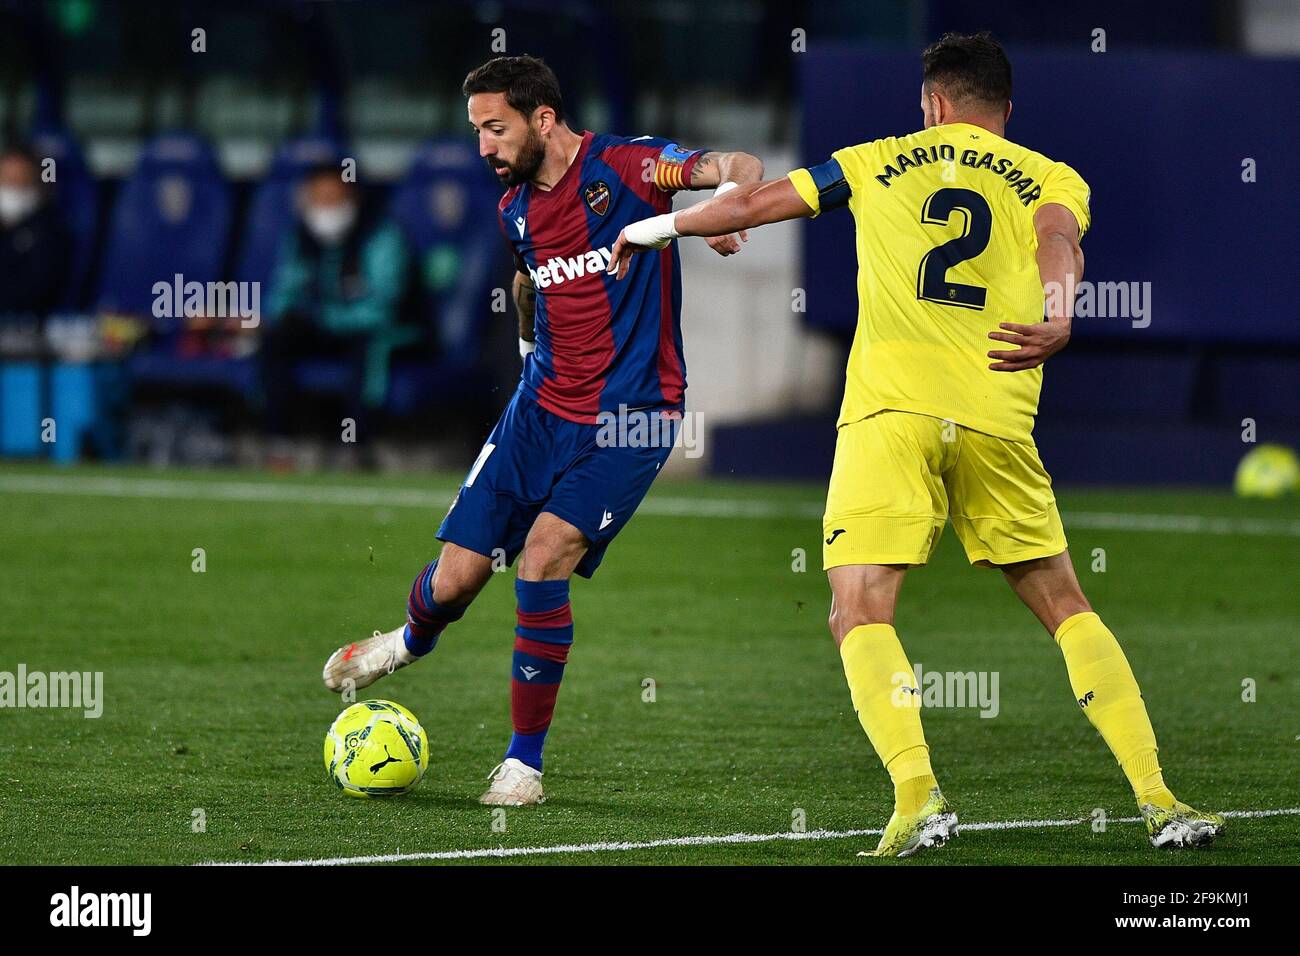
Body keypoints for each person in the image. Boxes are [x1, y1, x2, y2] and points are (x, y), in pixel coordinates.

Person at [609, 31, 1223, 857]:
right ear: (1004, 110)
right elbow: (1057, 242)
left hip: (890, 416)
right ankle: (1159, 799)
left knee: (858, 611)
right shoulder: (1052, 175)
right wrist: (1059, 310)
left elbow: (747, 205)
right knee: (1067, 605)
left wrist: (648, 233)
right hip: (998, 414)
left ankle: (918, 796)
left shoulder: (870, 161)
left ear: (933, 104)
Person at [321, 54, 763, 805]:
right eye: (477, 132)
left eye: (495, 129)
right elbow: (528, 283)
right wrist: (529, 357)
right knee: (456, 579)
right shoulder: (514, 212)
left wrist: (714, 208)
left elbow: (744, 165)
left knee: (542, 556)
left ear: (544, 119)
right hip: (539, 409)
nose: (484, 147)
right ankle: (408, 641)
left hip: (632, 415)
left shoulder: (629, 168)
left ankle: (523, 764)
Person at [260, 163, 410, 448]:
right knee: (276, 340)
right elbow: (283, 293)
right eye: (318, 199)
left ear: (352, 199)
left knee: (365, 347)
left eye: (333, 199)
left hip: (375, 332)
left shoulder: (380, 237)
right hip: (321, 328)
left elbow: (383, 307)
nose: (326, 208)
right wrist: (282, 316)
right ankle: (277, 441)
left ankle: (356, 446)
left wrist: (326, 318)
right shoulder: (300, 240)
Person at [0, 145, 70, 321]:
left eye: (21, 181)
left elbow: (33, 294)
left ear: (40, 187)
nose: (12, 188)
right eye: (6, 180)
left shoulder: (49, 236)